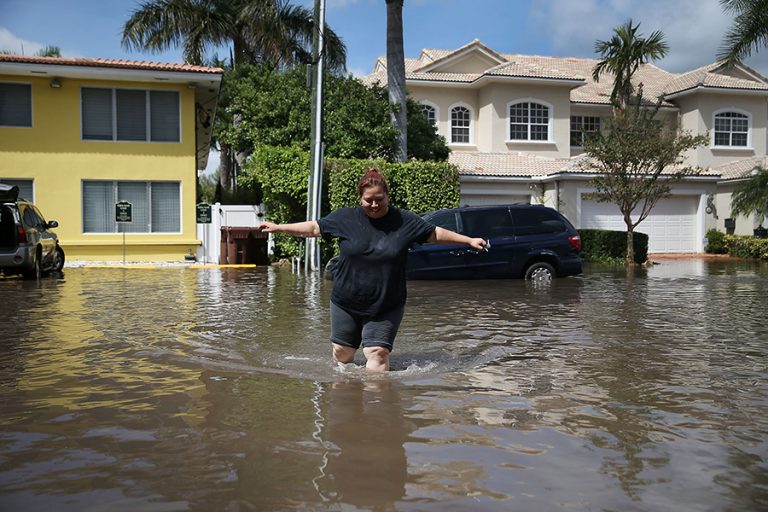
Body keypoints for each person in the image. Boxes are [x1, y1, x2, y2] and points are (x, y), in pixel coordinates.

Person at [256, 168, 486, 371]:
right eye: (369, 200)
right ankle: (346, 396)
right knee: (342, 353)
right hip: (346, 301)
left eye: (379, 199)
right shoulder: (345, 218)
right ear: (360, 199)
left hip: (387, 302)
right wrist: (279, 227)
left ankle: (376, 402)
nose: (374, 205)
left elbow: (434, 233)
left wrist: (468, 240)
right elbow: (314, 228)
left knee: (377, 353)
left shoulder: (404, 221)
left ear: (387, 196)